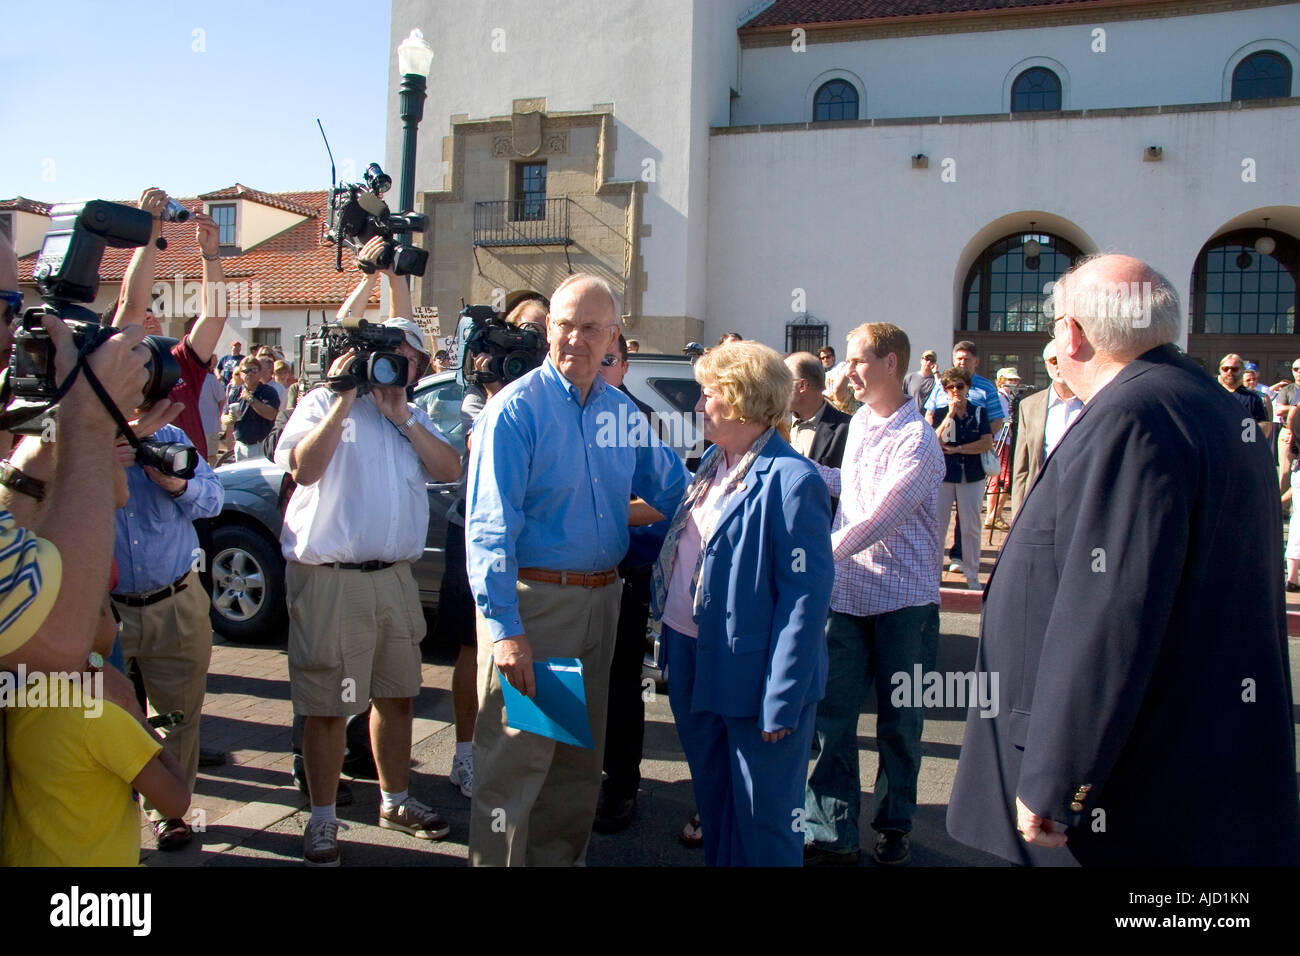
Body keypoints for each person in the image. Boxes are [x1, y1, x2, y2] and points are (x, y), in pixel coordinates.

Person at [946, 254, 1300, 866]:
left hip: (1126, 792)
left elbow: (1109, 611)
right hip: (1190, 768)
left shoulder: (1133, 417)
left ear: (1074, 333)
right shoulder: (1205, 403)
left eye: (1056, 324)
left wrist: (1061, 777)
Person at [465, 273, 688, 866]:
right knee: (519, 768)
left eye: (591, 328)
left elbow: (674, 489)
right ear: (546, 331)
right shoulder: (516, 412)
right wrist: (506, 630)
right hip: (539, 612)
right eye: (563, 325)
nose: (575, 339)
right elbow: (489, 532)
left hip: (600, 609)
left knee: (574, 767)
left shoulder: (620, 412)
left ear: (614, 337)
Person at [276, 236, 460, 866]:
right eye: (397, 357)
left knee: (397, 693)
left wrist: (403, 414)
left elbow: (449, 465)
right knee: (327, 704)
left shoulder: (408, 413)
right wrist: (347, 396)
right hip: (329, 578)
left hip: (394, 578)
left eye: (410, 361)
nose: (404, 368)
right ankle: (324, 818)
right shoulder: (325, 402)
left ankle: (396, 797)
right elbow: (303, 470)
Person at [651, 341, 832, 866]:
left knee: (764, 824)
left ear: (741, 400)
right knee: (717, 806)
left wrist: (783, 696)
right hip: (693, 659)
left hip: (756, 680)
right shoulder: (714, 462)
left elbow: (805, 600)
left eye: (708, 394)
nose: (698, 404)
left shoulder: (794, 481)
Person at [803, 323, 945, 867]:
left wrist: (815, 559)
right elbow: (850, 490)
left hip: (903, 603)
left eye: (859, 360)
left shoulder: (919, 440)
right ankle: (831, 829)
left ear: (891, 364)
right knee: (830, 715)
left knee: (900, 722)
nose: (847, 371)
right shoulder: (862, 421)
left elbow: (881, 517)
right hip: (848, 597)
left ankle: (894, 823)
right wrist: (798, 468)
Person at [112, 414, 223, 850]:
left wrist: (177, 485)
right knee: (100, 719)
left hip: (174, 598)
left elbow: (212, 500)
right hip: (103, 609)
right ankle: (109, 818)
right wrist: (99, 460)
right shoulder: (79, 440)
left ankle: (168, 813)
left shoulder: (170, 439)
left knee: (176, 719)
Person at [113, 188, 227, 460]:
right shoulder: (110, 367)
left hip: (189, 492)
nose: (148, 317)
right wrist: (149, 232)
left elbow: (215, 315)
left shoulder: (180, 362)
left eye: (152, 312)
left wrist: (210, 255)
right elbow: (130, 303)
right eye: (142, 316)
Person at [932, 367, 993, 589]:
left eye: (960, 386)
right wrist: (949, 415)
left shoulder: (978, 411)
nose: (956, 391)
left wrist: (960, 449)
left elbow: (986, 442)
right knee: (938, 525)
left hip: (972, 475)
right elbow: (934, 441)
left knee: (970, 526)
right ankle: (933, 574)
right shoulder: (940, 413)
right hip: (945, 476)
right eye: (951, 387)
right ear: (945, 390)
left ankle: (972, 574)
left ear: (968, 387)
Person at [1011, 341, 1082, 519]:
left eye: (1064, 359)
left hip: (1081, 500)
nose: (1059, 366)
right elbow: (1022, 466)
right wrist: (1018, 516)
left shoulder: (1093, 402)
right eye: (1054, 360)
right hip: (1042, 499)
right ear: (1046, 365)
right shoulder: (1029, 406)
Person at [785, 351, 851, 469]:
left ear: (802, 386)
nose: (777, 388)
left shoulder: (847, 429)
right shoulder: (775, 423)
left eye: (783, 381)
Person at [223, 357, 280, 461]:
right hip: (241, 445)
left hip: (261, 445)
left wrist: (250, 399)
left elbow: (271, 414)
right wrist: (229, 418)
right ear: (240, 374)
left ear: (259, 373)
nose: (249, 373)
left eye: (253, 370)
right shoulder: (235, 392)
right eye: (245, 371)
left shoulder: (267, 391)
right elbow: (223, 417)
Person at [1219, 352, 1272, 439]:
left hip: (1241, 447)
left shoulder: (1252, 398)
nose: (1229, 372)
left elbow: (1265, 425)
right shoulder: (1212, 395)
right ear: (1220, 371)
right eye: (1225, 369)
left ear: (1242, 371)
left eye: (1234, 369)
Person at [199, 355, 227, 467]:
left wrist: (217, 414)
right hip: (195, 426)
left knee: (211, 456)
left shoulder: (210, 379)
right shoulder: (188, 379)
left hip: (209, 425)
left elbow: (222, 399)